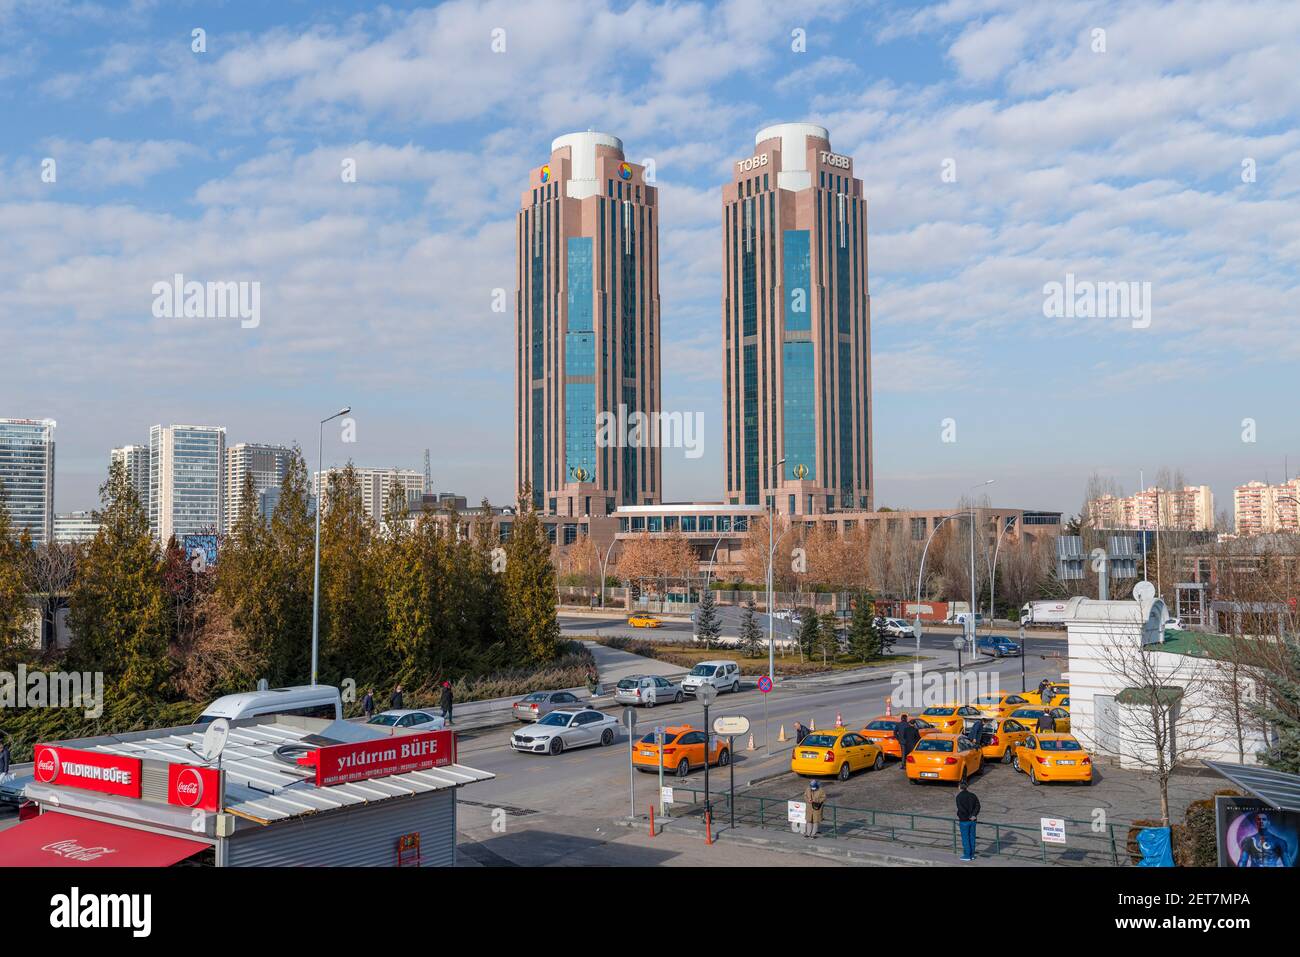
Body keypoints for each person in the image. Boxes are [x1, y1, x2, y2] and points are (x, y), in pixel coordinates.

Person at [956, 778, 981, 861]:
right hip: (973, 820)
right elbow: (978, 806)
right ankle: (972, 855)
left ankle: (967, 855)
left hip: (964, 821)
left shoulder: (959, 797)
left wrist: (967, 816)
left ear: (959, 787)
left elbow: (961, 809)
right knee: (972, 838)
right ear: (967, 787)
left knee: (965, 838)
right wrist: (973, 815)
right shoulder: (973, 795)